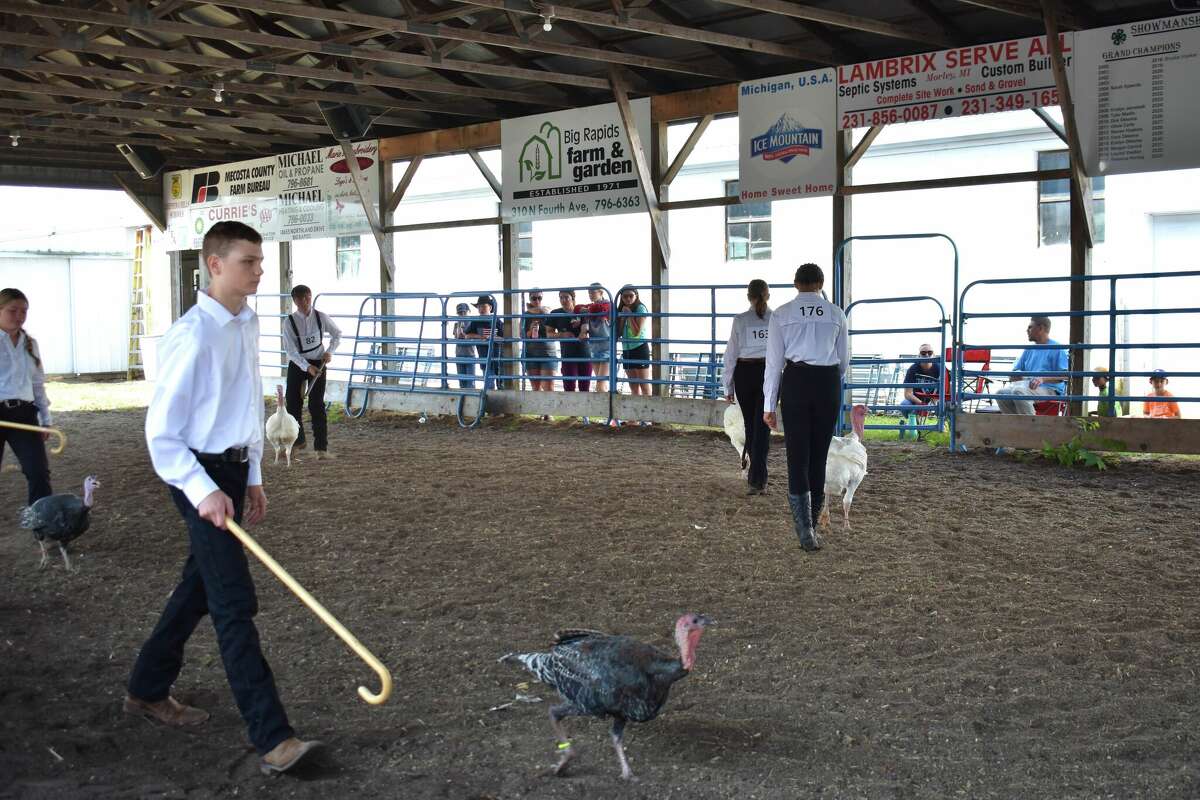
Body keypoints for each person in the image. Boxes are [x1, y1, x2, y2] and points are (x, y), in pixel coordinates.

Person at [126, 221, 320, 775]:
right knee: (233, 602)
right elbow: (161, 433)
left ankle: (145, 687)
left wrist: (253, 472)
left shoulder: (246, 320)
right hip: (197, 473)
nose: (260, 271)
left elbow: (243, 403)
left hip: (230, 471)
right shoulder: (192, 334)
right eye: (249, 262)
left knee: (198, 589)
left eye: (259, 261)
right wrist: (203, 490)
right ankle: (274, 737)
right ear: (214, 265)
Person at [763, 263, 848, 553]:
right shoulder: (837, 314)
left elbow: (774, 364)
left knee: (796, 455)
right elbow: (844, 361)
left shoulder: (781, 314)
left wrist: (768, 404)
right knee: (819, 454)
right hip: (827, 383)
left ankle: (804, 530)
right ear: (821, 282)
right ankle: (811, 522)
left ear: (795, 283)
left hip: (796, 382)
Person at [0, 287, 53, 506]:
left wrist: (46, 420)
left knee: (38, 471)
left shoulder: (31, 344)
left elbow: (37, 384)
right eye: (13, 310)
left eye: (24, 311)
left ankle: (44, 527)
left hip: (24, 414)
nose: (20, 316)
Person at [723, 279, 772, 495]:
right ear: (767, 295)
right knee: (763, 426)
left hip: (744, 374)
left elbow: (730, 355)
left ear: (748, 296)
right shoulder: (776, 319)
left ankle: (756, 476)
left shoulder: (740, 320)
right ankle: (758, 477)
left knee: (753, 426)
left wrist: (727, 386)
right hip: (768, 373)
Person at [282, 284, 341, 459]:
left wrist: (330, 351)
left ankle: (321, 448)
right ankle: (298, 440)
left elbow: (337, 334)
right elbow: (291, 351)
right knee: (292, 403)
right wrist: (306, 366)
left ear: (311, 297)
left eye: (307, 297)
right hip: (298, 363)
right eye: (300, 299)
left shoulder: (321, 317)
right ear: (295, 301)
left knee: (317, 405)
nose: (305, 302)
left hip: (319, 362)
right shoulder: (289, 322)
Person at [994, 315, 1068, 415]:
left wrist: (1042, 378)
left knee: (1019, 392)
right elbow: (1015, 371)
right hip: (1028, 387)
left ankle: (1031, 427)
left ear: (1041, 328)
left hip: (1051, 389)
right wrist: (1016, 375)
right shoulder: (1028, 349)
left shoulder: (1058, 348)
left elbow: (1065, 375)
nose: (1027, 330)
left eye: (1030, 327)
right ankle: (1018, 427)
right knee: (1000, 394)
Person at [545, 289, 591, 392]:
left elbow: (594, 326)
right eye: (561, 297)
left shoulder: (582, 311)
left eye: (566, 297)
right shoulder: (555, 313)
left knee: (585, 388)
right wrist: (562, 334)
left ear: (573, 298)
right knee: (569, 387)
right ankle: (570, 408)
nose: (563, 300)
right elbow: (549, 334)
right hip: (567, 355)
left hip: (586, 354)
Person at [898, 343, 941, 438]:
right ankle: (913, 427)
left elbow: (946, 390)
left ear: (934, 354)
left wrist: (932, 403)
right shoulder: (912, 369)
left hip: (935, 400)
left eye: (930, 352)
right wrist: (921, 404)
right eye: (923, 353)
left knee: (949, 405)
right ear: (919, 355)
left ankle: (943, 428)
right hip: (916, 400)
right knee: (905, 405)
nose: (927, 355)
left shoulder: (940, 368)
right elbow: (907, 394)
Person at [616, 286, 651, 400]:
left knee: (644, 386)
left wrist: (629, 315)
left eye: (631, 295)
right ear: (621, 297)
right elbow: (619, 333)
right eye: (625, 296)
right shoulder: (621, 310)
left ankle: (650, 416)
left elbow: (636, 332)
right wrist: (622, 317)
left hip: (640, 348)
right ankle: (634, 417)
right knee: (633, 387)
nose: (628, 298)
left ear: (636, 296)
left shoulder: (640, 308)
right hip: (627, 349)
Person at [521, 289, 557, 394]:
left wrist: (533, 310)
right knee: (535, 389)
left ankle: (548, 411)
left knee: (549, 389)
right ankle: (540, 411)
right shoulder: (525, 315)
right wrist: (530, 330)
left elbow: (552, 331)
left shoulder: (548, 311)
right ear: (529, 298)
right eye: (534, 298)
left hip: (548, 354)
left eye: (539, 298)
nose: (537, 300)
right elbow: (522, 336)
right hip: (531, 354)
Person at [463, 295, 499, 391]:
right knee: (489, 386)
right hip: (485, 358)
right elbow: (467, 335)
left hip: (498, 357)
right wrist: (481, 337)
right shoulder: (476, 321)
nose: (481, 309)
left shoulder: (497, 320)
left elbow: (504, 336)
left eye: (483, 306)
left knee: (501, 385)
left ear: (490, 307)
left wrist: (492, 338)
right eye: (479, 307)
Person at [582, 282, 612, 394]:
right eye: (589, 292)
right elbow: (582, 316)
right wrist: (583, 329)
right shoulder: (589, 309)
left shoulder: (607, 305)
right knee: (600, 384)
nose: (590, 294)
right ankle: (608, 409)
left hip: (606, 347)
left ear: (601, 292)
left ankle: (607, 409)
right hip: (594, 347)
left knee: (600, 384)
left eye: (593, 292)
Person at [452, 302, 476, 390]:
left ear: (468, 312)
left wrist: (464, 335)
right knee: (462, 383)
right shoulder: (456, 324)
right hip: (459, 354)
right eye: (460, 313)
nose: (462, 314)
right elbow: (457, 336)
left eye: (464, 312)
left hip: (470, 354)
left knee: (470, 383)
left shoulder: (473, 323)